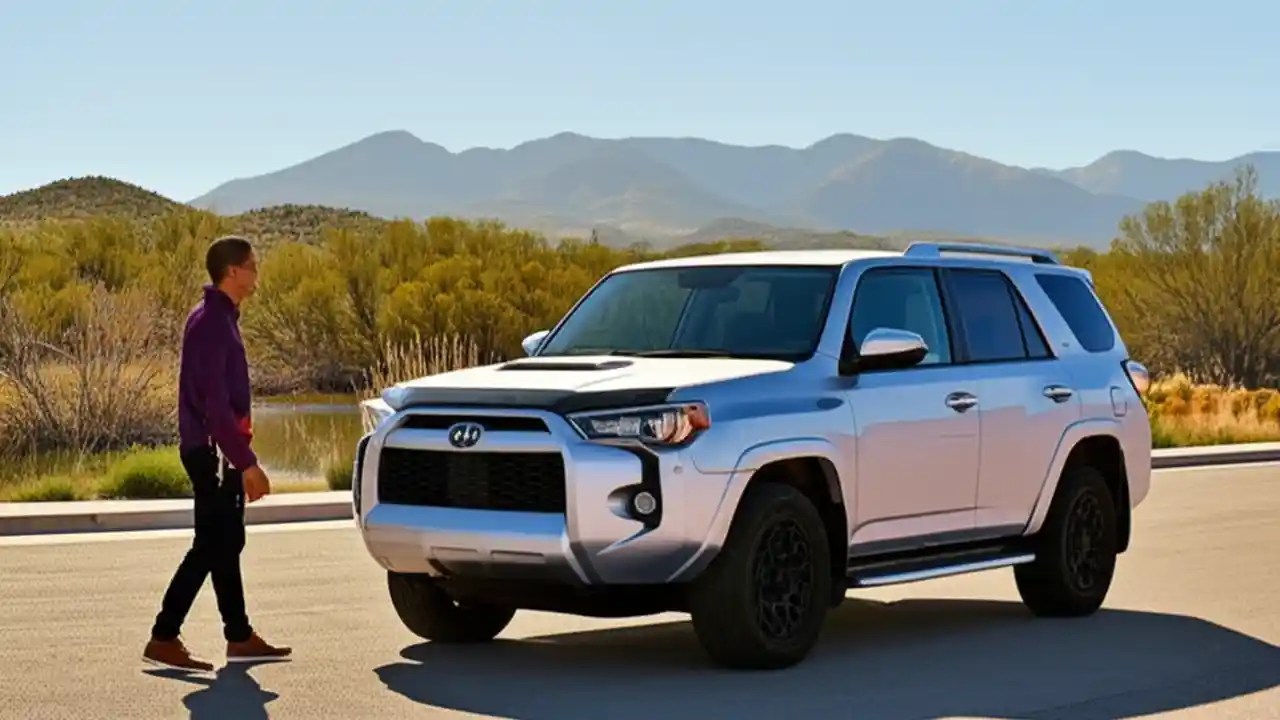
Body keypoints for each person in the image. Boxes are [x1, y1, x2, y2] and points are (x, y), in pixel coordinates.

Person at [142, 236, 291, 671]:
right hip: (213, 453)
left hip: (218, 450)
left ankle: (239, 635)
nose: (257, 274)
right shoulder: (210, 322)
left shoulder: (219, 318)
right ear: (233, 271)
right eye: (253, 266)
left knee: (227, 542)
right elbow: (213, 404)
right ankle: (164, 635)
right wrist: (245, 462)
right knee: (211, 543)